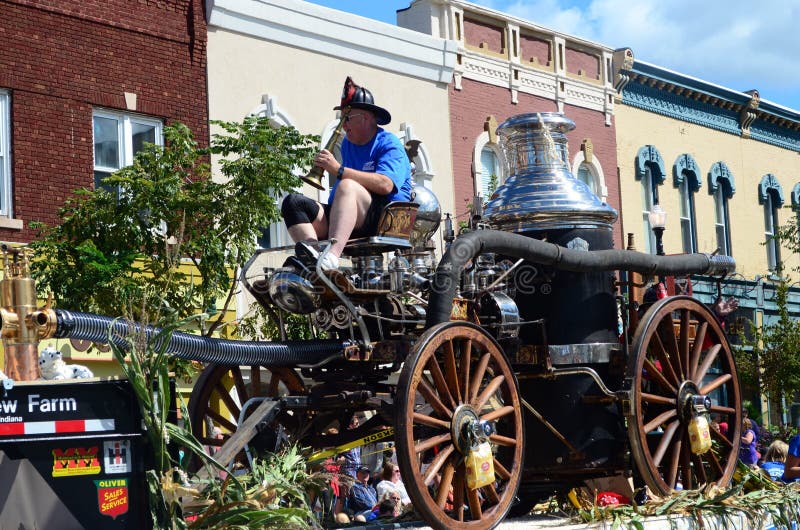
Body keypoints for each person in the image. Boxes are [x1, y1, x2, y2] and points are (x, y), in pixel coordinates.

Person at [281, 77, 413, 270]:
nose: (343, 125)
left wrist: (339, 170)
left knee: (346, 184)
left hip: (384, 218)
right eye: (342, 118)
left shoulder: (389, 143)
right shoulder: (348, 146)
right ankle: (314, 259)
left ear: (366, 118)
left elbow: (386, 185)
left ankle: (331, 256)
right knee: (293, 203)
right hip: (351, 216)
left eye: (347, 118)